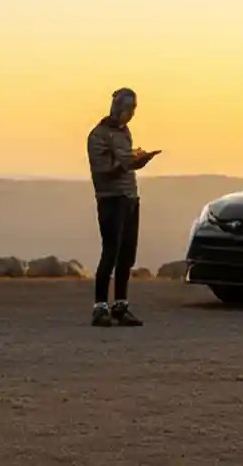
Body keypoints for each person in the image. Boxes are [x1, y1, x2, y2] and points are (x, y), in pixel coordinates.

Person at [86, 87, 159, 327]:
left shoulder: (125, 132)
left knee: (127, 254)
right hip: (110, 199)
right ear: (120, 107)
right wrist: (128, 163)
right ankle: (100, 306)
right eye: (130, 108)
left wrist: (137, 162)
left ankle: (120, 304)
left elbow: (124, 163)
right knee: (110, 252)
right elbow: (102, 171)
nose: (132, 114)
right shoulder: (97, 135)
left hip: (129, 197)